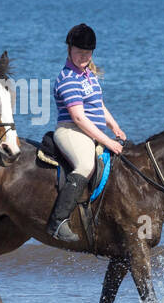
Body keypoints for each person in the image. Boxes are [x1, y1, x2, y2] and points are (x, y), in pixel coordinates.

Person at [46, 23, 126, 243]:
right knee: (86, 165)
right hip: (71, 131)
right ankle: (58, 221)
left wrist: (114, 126)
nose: (83, 56)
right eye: (79, 52)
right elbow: (79, 117)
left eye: (87, 52)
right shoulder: (68, 78)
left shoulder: (88, 74)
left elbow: (98, 104)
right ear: (69, 50)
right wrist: (108, 141)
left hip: (89, 131)